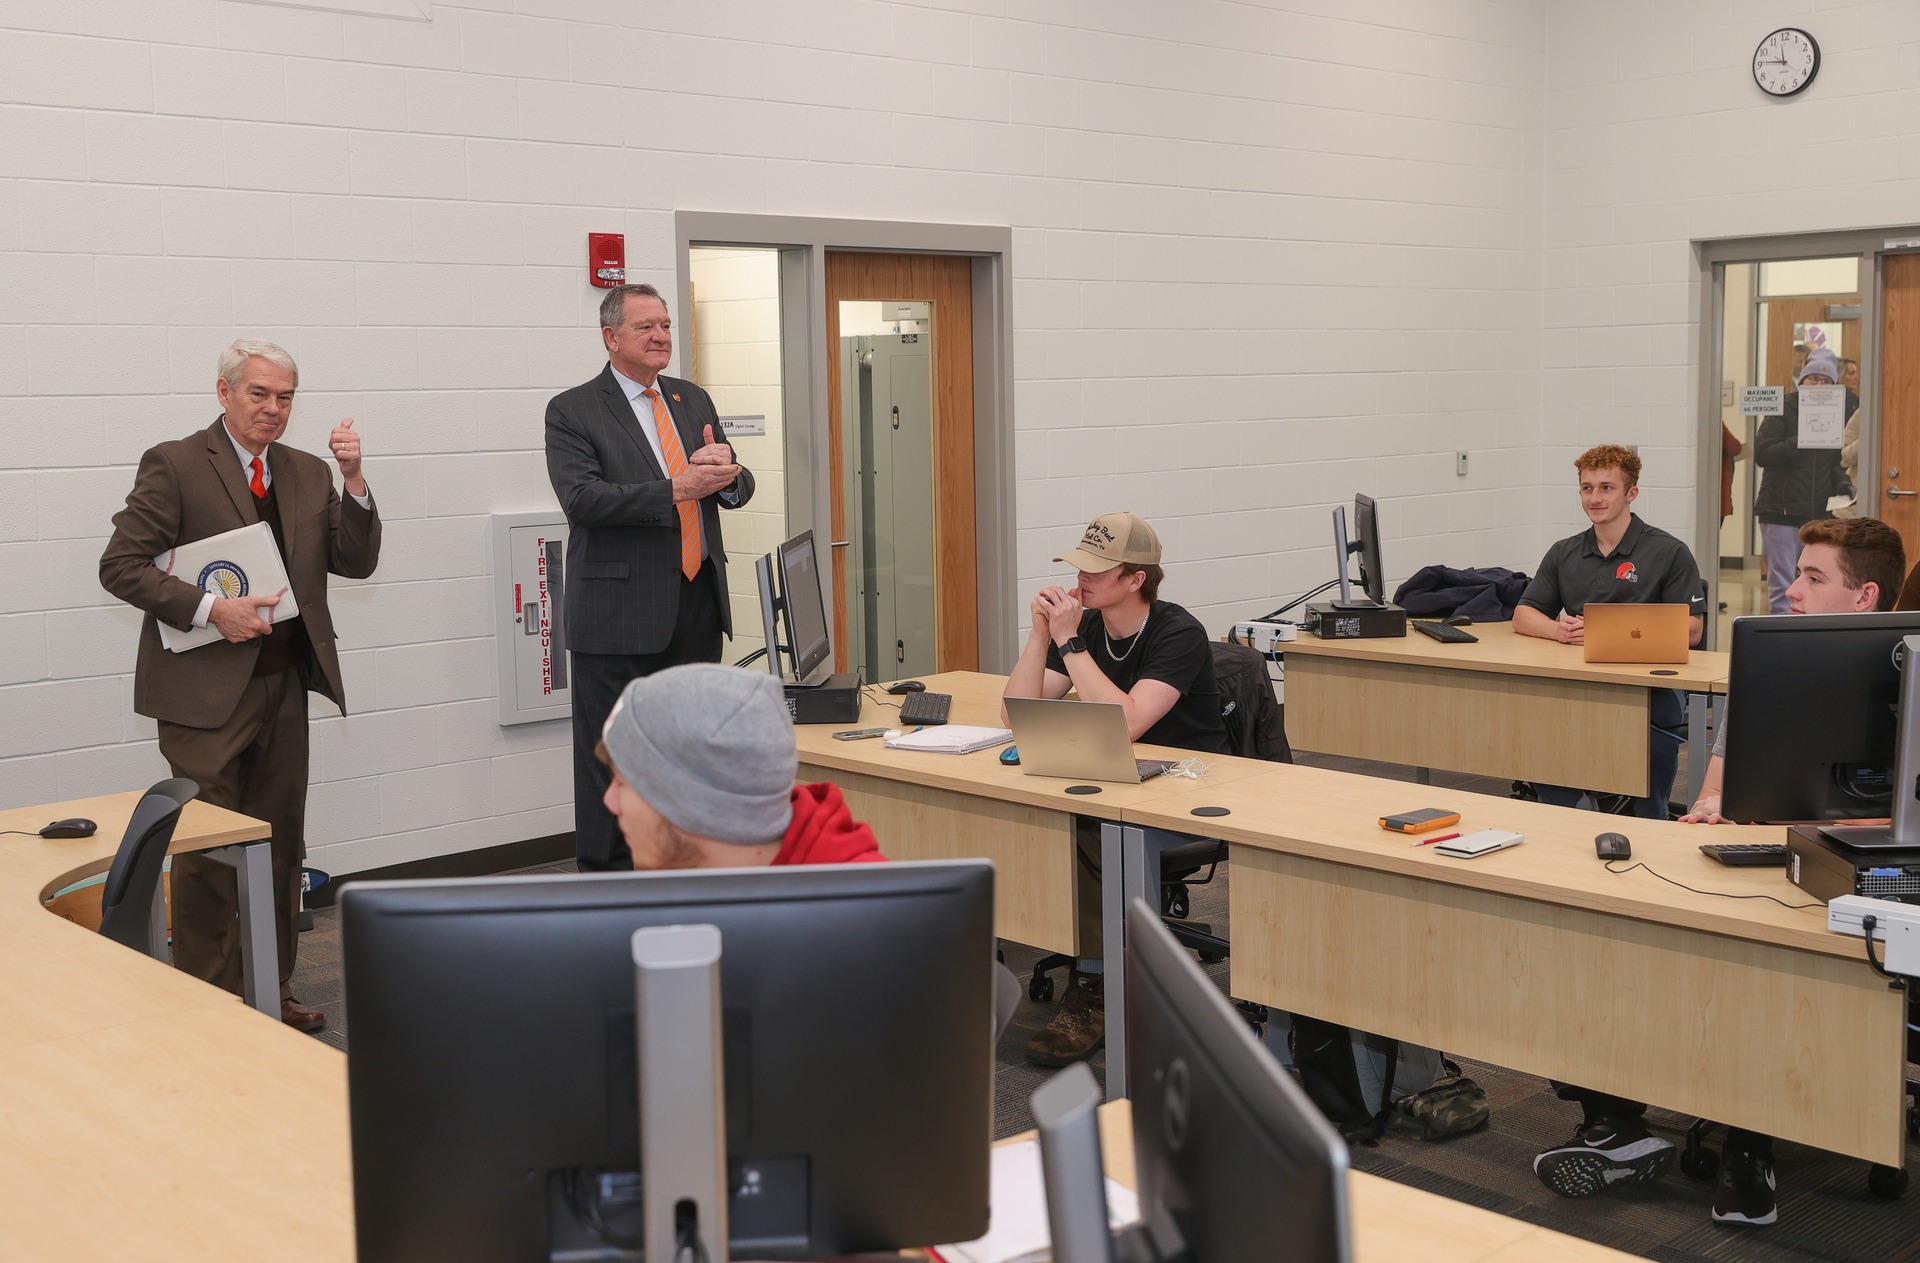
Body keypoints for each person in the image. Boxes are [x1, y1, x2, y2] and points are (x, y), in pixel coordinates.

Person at [1536, 518, 1905, 1229]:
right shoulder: (1777, 661)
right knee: (1623, 919)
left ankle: (1748, 1150)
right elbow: (1719, 782)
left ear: (1865, 598)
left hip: (1868, 889)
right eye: (1795, 573)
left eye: (1813, 577)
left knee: (1755, 960)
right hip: (1772, 862)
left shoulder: (1910, 678)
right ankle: (1617, 1122)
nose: (1791, 590)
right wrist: (1712, 807)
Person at [98, 339, 381, 1032]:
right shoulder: (175, 464)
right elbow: (121, 565)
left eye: (285, 397)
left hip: (284, 687)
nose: (273, 408)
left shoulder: (309, 471)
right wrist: (207, 607)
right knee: (207, 849)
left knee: (281, 844)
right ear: (224, 393)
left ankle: (270, 981)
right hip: (203, 700)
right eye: (259, 394)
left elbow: (355, 559)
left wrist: (356, 480)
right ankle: (208, 1000)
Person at [1002, 512, 1228, 1066]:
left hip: (1186, 792)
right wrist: (1039, 637)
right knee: (1042, 819)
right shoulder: (1089, 630)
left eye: (1097, 571)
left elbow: (1128, 723)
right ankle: (1093, 956)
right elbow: (1014, 714)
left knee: (1088, 830)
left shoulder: (1178, 631)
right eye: (1079, 568)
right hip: (1113, 780)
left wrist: (1069, 641)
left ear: (1135, 579)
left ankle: (1095, 986)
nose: (1082, 580)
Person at [546, 283, 755, 872]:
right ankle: (610, 890)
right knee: (612, 762)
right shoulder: (573, 410)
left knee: (687, 756)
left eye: (665, 324)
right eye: (646, 327)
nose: (662, 335)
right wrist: (677, 489)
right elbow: (584, 500)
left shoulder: (692, 400)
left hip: (695, 605)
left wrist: (731, 476)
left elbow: (733, 483)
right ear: (611, 338)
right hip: (617, 619)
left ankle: (680, 871)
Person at [1514, 444, 1706, 817]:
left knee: (1648, 796)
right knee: (1538, 724)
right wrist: (1558, 631)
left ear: (1631, 493)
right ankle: (1566, 817)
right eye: (1587, 488)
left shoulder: (1669, 552)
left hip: (1649, 688)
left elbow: (1693, 630)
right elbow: (1524, 613)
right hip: (1579, 681)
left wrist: (1614, 630)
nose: (1595, 498)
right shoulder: (1564, 551)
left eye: (1606, 488)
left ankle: (1648, 817)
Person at [597, 663, 883, 868]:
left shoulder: (872, 931)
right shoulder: (678, 878)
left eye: (623, 782)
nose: (609, 801)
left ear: (695, 806)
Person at [1754, 348, 1858, 613]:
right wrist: (1803, 439)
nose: (1818, 385)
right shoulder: (1785, 407)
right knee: (1783, 590)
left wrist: (1845, 487)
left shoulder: (1844, 411)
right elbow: (1763, 452)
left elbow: (1838, 462)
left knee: (1821, 587)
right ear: (1802, 380)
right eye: (1813, 379)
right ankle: (1781, 649)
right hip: (1780, 512)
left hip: (1822, 518)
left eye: (1826, 381)